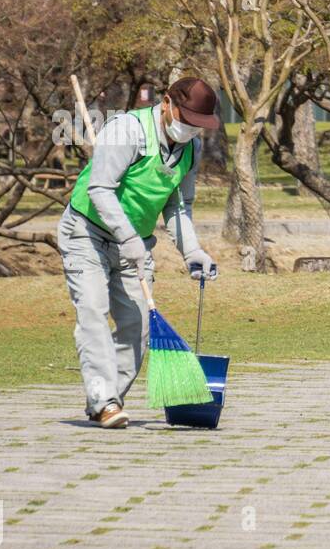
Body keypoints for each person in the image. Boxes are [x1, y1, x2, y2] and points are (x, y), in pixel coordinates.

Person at [60, 78, 220, 429]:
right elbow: (100, 190)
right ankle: (104, 402)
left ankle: (107, 400)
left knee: (137, 327)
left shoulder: (190, 150)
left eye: (199, 124)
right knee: (93, 313)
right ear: (167, 103)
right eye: (187, 118)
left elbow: (179, 206)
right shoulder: (126, 131)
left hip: (136, 245)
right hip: (87, 234)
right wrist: (127, 235)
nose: (191, 129)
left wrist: (191, 250)